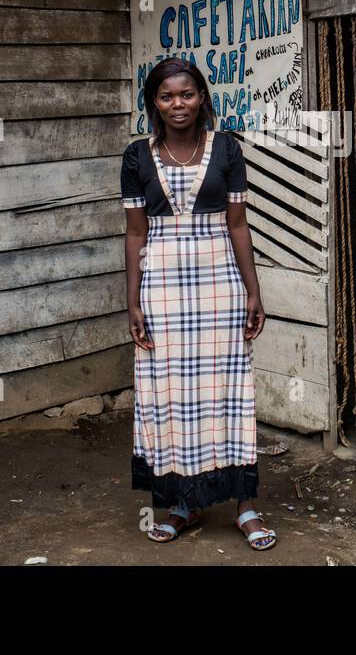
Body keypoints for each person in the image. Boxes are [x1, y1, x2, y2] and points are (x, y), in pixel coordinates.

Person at [120, 58, 276, 550]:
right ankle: (183, 504)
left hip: (218, 287)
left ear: (202, 98)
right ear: (154, 104)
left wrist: (253, 291)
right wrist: (133, 302)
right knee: (171, 396)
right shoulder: (136, 157)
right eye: (167, 97)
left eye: (186, 95)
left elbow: (237, 225)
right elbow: (134, 233)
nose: (178, 104)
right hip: (162, 288)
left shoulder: (226, 148)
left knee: (227, 393)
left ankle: (245, 507)